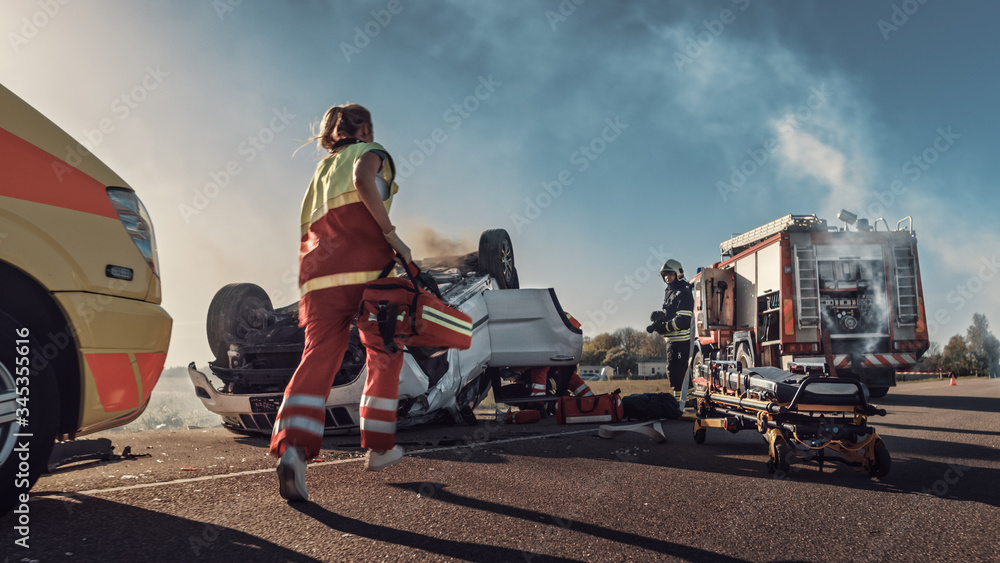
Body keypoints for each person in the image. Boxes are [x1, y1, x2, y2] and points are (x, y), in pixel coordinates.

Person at [269, 103, 412, 502]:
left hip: (318, 277)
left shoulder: (318, 174)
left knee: (317, 359)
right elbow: (363, 181)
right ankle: (380, 446)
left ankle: (293, 451)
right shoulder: (372, 151)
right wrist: (392, 235)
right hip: (368, 273)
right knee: (385, 350)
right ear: (364, 127)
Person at [646, 259, 693, 403]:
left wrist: (664, 327)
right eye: (665, 275)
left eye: (670, 274)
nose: (667, 277)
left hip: (680, 342)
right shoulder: (671, 291)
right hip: (673, 341)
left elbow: (683, 319)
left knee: (677, 374)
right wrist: (661, 316)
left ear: (678, 274)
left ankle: (682, 404)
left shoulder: (682, 292)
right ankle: (683, 402)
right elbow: (672, 313)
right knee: (675, 373)